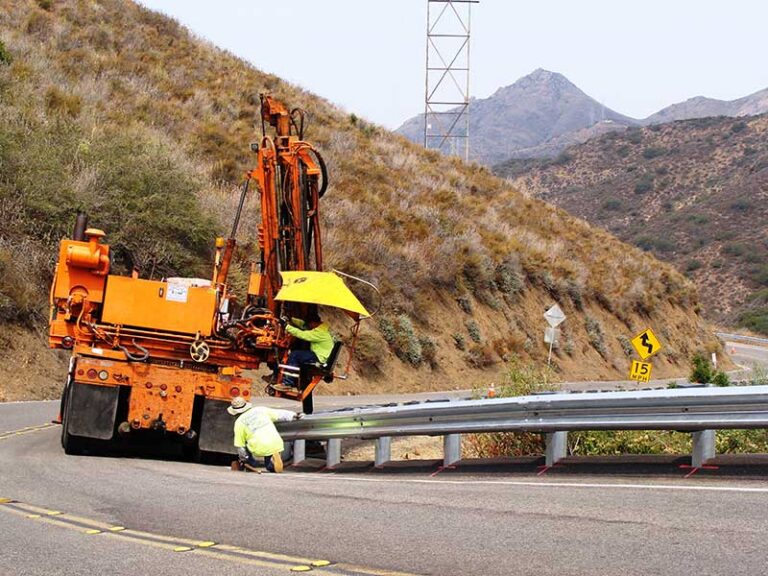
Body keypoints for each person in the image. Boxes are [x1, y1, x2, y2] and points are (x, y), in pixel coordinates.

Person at [227, 396, 297, 473]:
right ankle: (272, 460)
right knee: (269, 459)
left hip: (260, 446)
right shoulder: (260, 410)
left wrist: (243, 459)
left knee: (244, 443)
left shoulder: (239, 423)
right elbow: (280, 414)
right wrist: (294, 415)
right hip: (276, 442)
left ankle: (252, 464)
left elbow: (240, 446)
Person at [277, 312, 335, 388]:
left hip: (319, 358)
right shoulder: (323, 327)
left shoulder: (319, 333)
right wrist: (291, 318)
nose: (309, 327)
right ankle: (299, 382)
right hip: (323, 356)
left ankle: (287, 383)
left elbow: (303, 334)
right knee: (300, 354)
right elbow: (303, 325)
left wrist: (286, 326)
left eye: (309, 324)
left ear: (313, 323)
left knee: (295, 355)